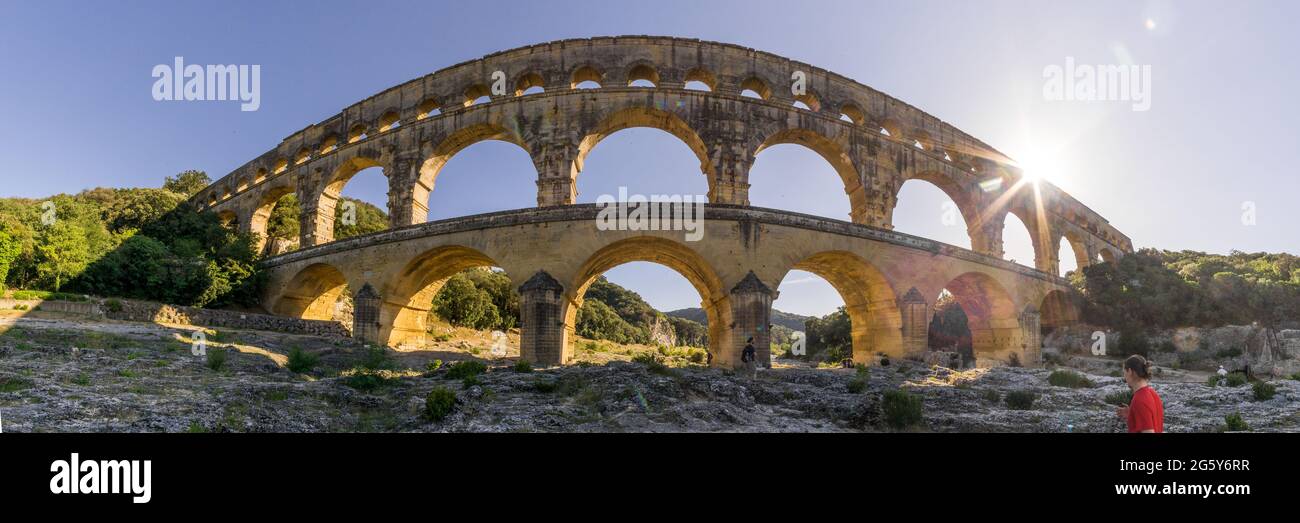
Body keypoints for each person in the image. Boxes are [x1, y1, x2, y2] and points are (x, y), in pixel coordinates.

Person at [1116, 355, 1164, 433]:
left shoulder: (1139, 400)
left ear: (1130, 371)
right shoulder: (1152, 393)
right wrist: (1131, 414)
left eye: (1124, 373)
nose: (1124, 377)